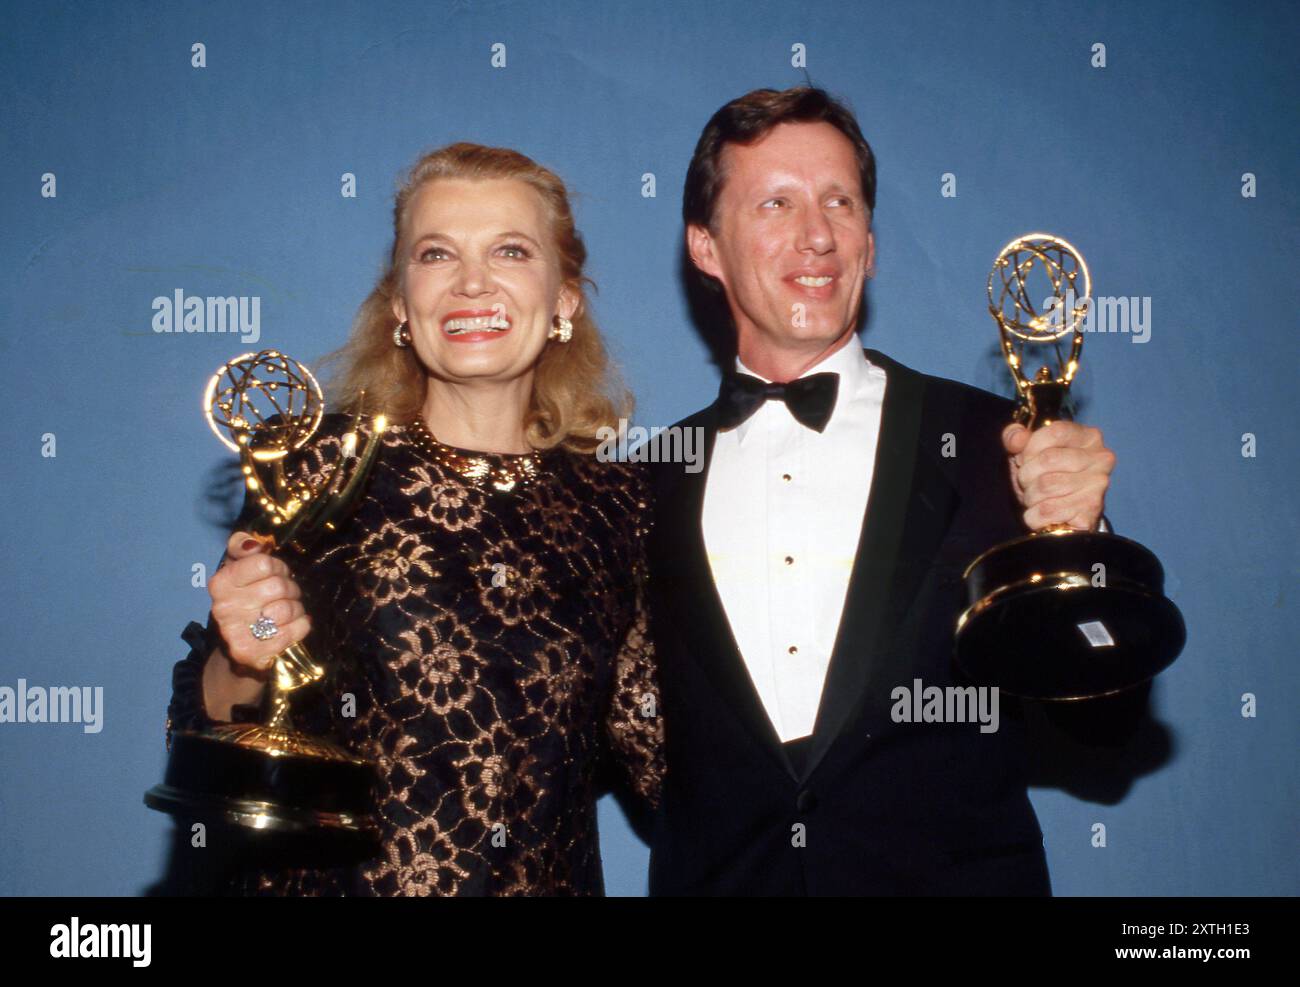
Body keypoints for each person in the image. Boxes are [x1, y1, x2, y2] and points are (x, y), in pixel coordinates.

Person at [644, 86, 1119, 895]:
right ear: (705, 246)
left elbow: (1104, 712)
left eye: (840, 202)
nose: (817, 235)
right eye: (776, 203)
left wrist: (1086, 543)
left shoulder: (995, 441)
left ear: (869, 239)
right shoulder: (644, 483)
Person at [162, 142, 662, 896]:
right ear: (400, 302)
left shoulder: (621, 508)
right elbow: (226, 710)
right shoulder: (319, 461)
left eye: (511, 250)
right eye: (435, 254)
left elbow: (665, 758)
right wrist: (251, 641)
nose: (471, 282)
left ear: (565, 298)